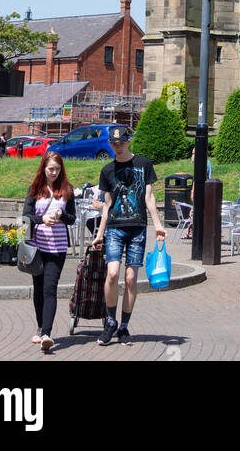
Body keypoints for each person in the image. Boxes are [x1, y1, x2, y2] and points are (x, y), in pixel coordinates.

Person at [93, 124, 165, 346]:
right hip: (115, 227)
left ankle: (124, 326)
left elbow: (149, 199)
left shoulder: (143, 164)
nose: (118, 147)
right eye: (114, 144)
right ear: (110, 144)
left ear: (128, 141)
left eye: (122, 142)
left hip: (137, 227)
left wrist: (158, 225)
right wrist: (100, 233)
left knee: (131, 278)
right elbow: (107, 205)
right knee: (112, 274)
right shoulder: (107, 170)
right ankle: (110, 322)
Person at [22, 151, 77, 353]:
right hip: (37, 247)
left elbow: (73, 218)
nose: (54, 172)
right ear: (43, 169)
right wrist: (42, 219)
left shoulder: (67, 190)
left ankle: (46, 333)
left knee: (49, 288)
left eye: (57, 169)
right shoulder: (35, 189)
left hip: (58, 247)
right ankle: (39, 326)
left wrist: (62, 215)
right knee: (38, 289)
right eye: (50, 169)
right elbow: (25, 217)